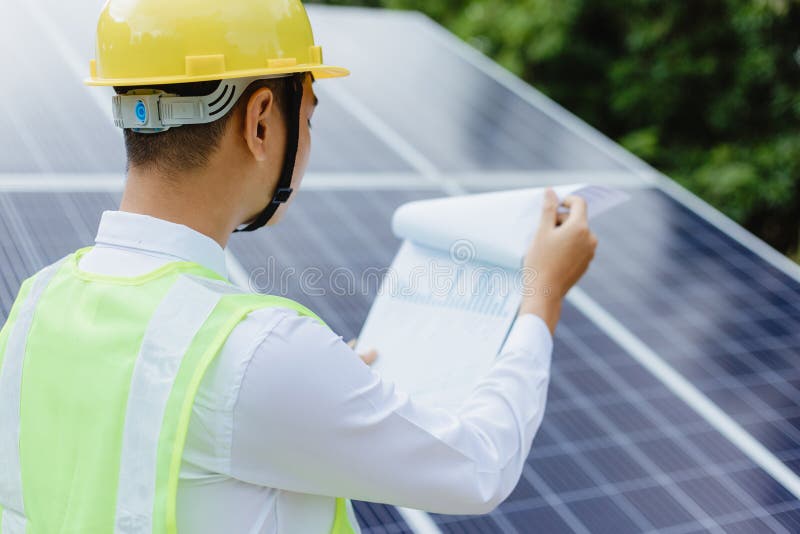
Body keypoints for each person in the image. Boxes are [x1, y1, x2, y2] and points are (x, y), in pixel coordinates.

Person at [0, 0, 598, 532]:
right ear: (261, 121)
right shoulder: (258, 353)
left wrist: (320, 382)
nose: (307, 138)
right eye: (306, 116)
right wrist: (541, 296)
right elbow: (479, 468)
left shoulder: (36, 304)